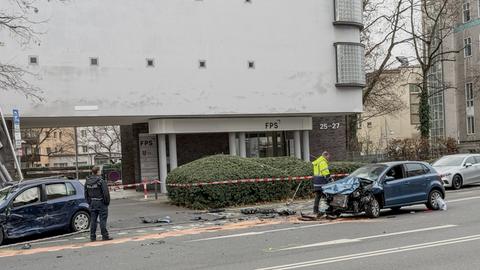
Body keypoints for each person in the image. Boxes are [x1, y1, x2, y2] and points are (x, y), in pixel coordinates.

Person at [85, 166, 112, 241]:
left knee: (93, 220)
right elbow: (105, 193)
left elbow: (86, 193)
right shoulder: (101, 181)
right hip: (101, 202)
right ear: (97, 172)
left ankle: (92, 237)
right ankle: (105, 236)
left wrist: (89, 202)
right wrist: (107, 202)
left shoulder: (87, 181)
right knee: (102, 220)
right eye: (100, 170)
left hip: (92, 203)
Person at [312, 151, 331, 216]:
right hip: (322, 182)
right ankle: (327, 209)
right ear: (325, 156)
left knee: (318, 196)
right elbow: (325, 171)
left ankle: (315, 210)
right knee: (327, 195)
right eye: (328, 157)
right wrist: (329, 178)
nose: (329, 158)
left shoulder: (317, 162)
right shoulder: (322, 162)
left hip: (316, 182)